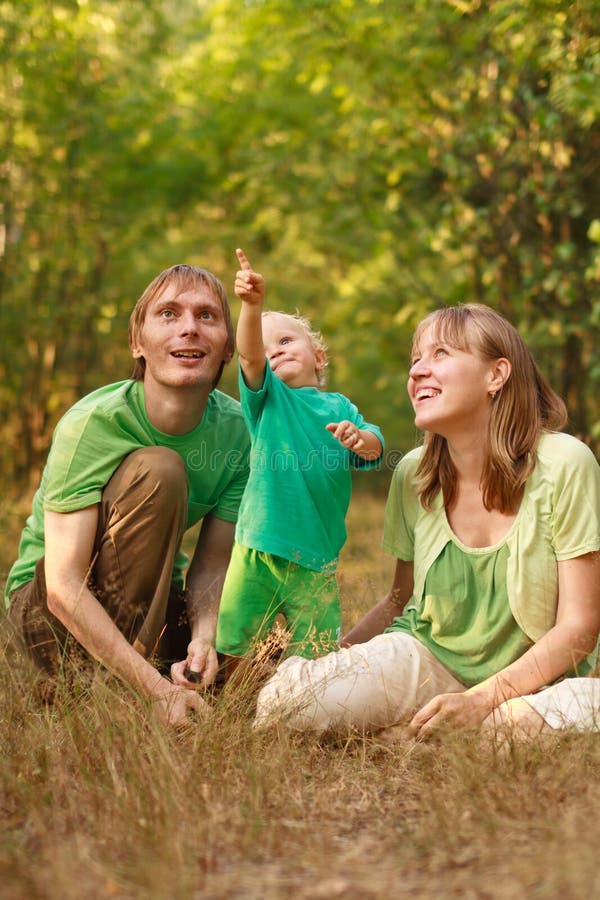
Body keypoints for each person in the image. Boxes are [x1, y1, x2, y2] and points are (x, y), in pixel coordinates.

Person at [254, 302, 600, 740]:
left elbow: (578, 628)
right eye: (416, 359)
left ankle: (440, 734)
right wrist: (332, 668)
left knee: (525, 723)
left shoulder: (566, 463)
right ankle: (446, 734)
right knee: (286, 701)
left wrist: (479, 702)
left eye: (441, 354)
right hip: (427, 660)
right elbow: (400, 600)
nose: (418, 371)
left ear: (497, 375)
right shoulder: (414, 473)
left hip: (532, 687)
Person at [5, 264, 250, 726]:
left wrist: (203, 635)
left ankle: (146, 680)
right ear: (137, 342)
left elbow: (213, 564)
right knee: (161, 469)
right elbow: (62, 585)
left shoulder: (240, 435)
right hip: (48, 615)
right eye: (169, 314)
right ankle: (113, 690)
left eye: (207, 316)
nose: (189, 328)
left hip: (151, 598)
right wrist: (155, 688)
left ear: (228, 348)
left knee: (259, 641)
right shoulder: (92, 423)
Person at [215, 249, 384, 674]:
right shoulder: (267, 399)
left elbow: (375, 446)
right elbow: (251, 357)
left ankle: (296, 704)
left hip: (317, 556)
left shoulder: (339, 406)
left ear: (318, 357)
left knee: (317, 657)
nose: (275, 352)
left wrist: (358, 438)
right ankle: (228, 700)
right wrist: (251, 306)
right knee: (236, 641)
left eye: (287, 341)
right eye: (267, 347)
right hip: (260, 542)